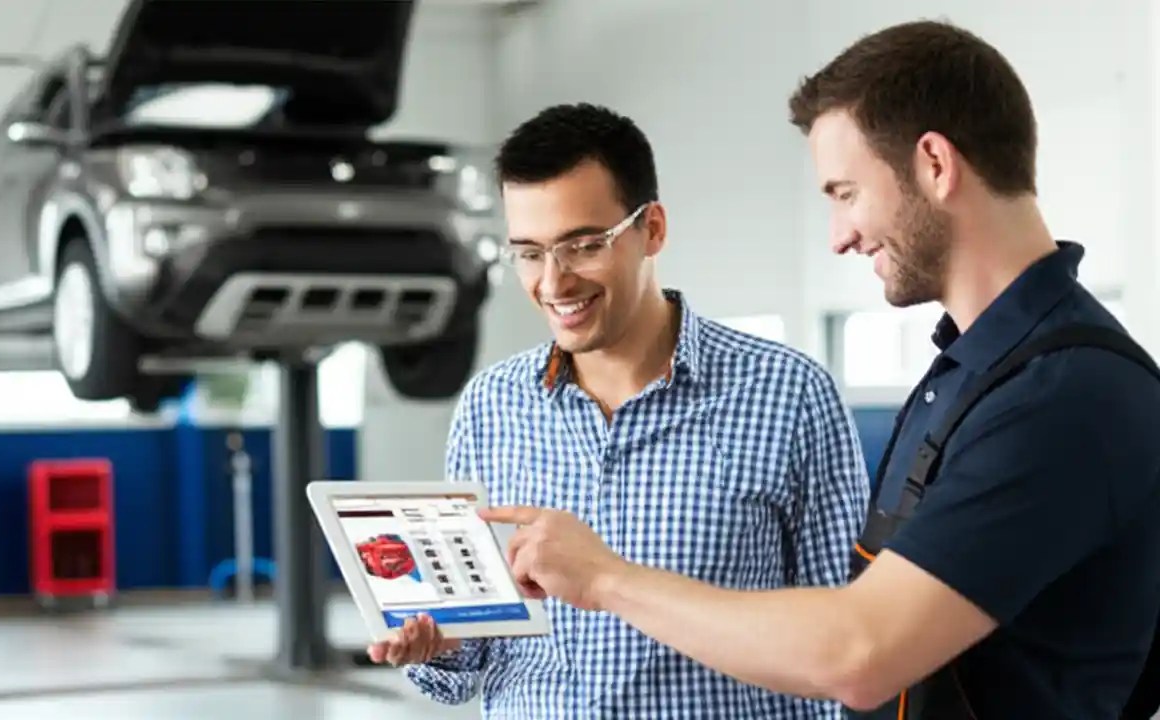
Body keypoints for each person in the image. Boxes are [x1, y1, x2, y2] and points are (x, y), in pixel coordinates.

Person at [479, 19, 1160, 720]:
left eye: (844, 193)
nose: (839, 236)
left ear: (934, 163)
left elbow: (857, 653)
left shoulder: (1065, 395)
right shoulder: (966, 377)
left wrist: (606, 580)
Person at [367, 102, 871, 718]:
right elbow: (464, 673)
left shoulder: (788, 396)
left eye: (582, 245)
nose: (553, 283)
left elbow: (848, 645)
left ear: (652, 228)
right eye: (528, 252)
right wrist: (435, 646)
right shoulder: (490, 406)